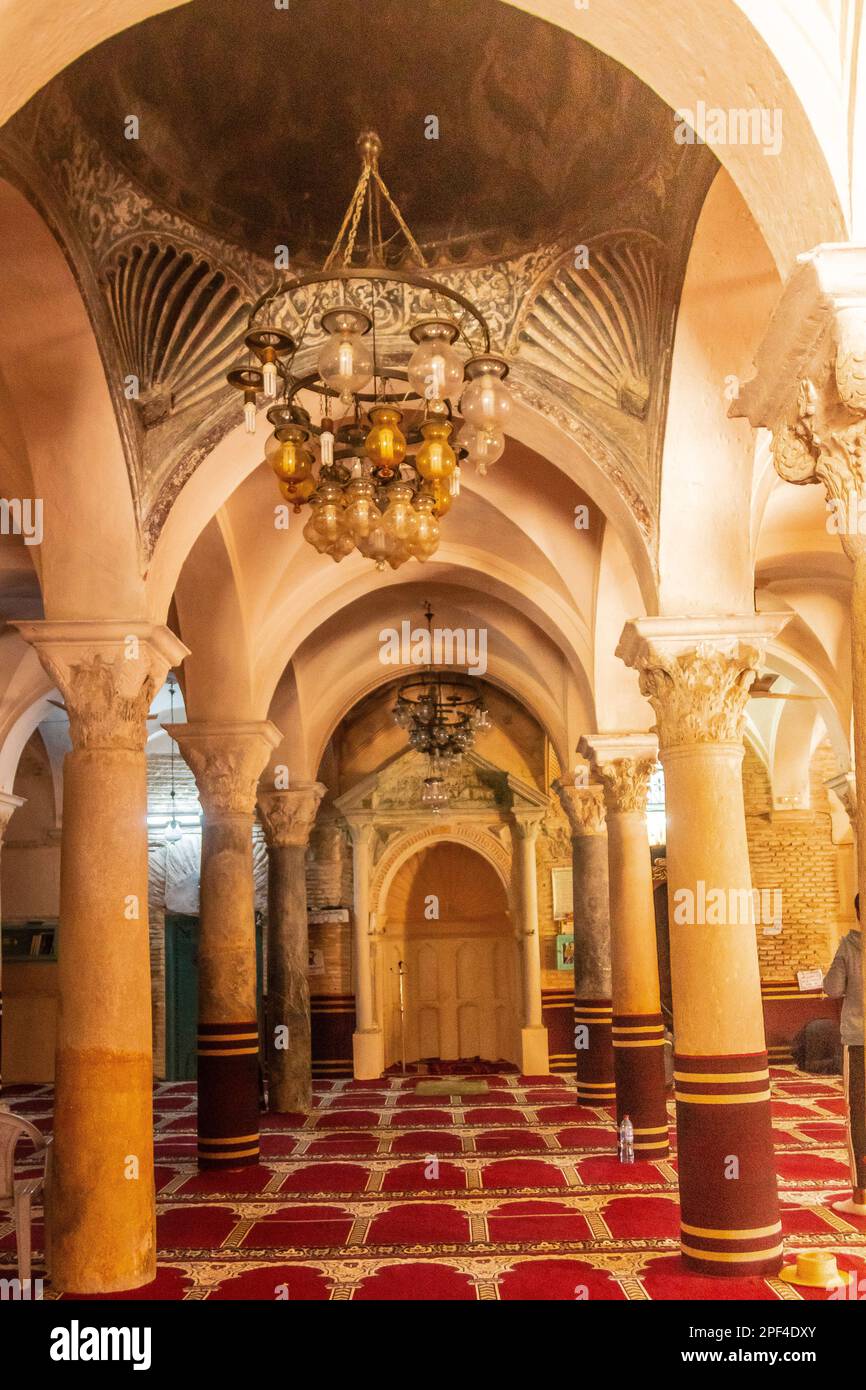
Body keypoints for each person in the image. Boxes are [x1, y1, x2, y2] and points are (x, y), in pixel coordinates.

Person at [823, 894, 866, 1216]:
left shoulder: (851, 946)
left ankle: (862, 1195)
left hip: (860, 1040)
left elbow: (833, 989)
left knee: (860, 1117)